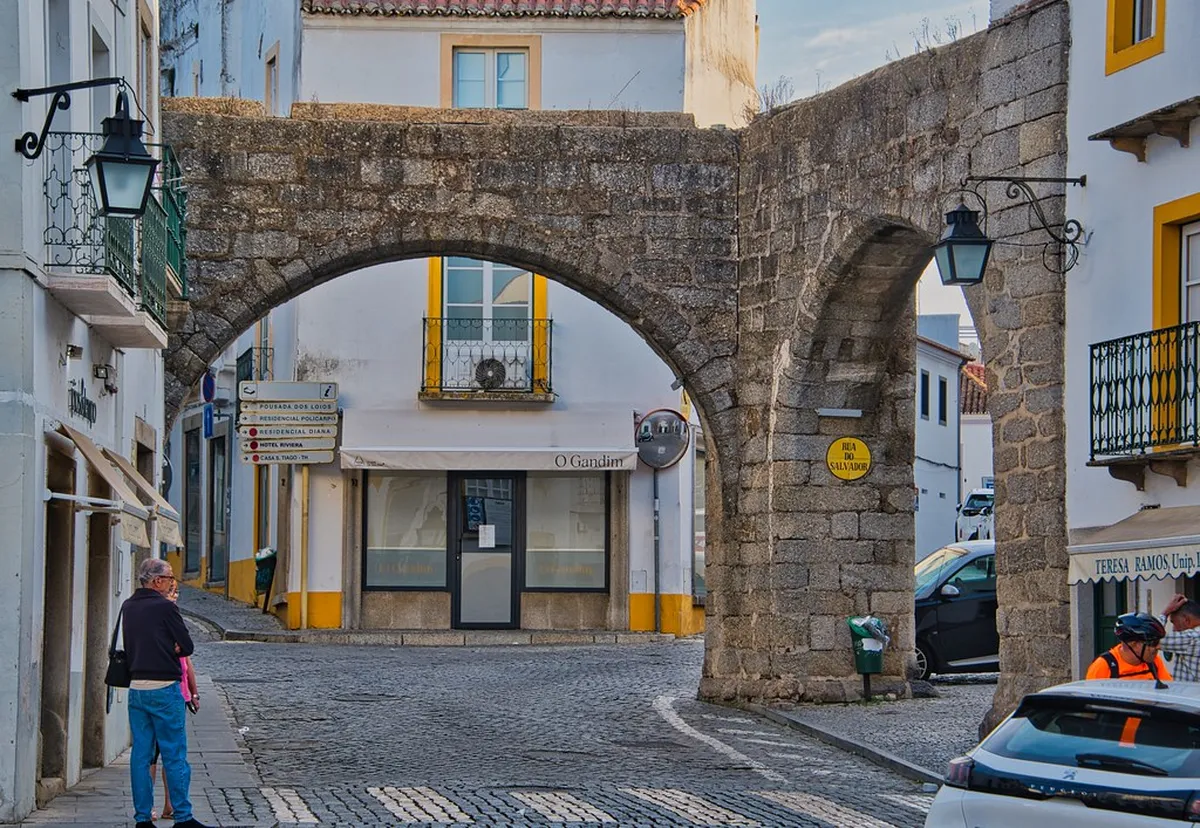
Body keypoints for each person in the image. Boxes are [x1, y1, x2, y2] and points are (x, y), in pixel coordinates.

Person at [122, 558, 210, 828]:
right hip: (164, 688)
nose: (173, 583)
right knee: (174, 754)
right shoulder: (165, 607)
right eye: (170, 578)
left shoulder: (128, 606)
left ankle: (142, 819)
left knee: (141, 755)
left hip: (137, 689)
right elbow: (187, 645)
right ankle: (183, 817)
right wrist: (172, 647)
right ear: (157, 581)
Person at [149, 582, 200, 821]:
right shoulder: (159, 619)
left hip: (179, 695)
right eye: (170, 592)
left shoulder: (174, 617)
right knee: (154, 754)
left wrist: (194, 692)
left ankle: (170, 805)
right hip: (162, 692)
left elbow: (187, 661)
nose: (174, 596)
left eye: (176, 592)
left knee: (172, 754)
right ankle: (150, 807)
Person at [1085, 612, 1173, 681]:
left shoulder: (1154, 662)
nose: (1158, 647)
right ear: (1133, 643)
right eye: (1153, 642)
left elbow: (1168, 692)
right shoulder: (1103, 666)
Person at [1159, 594, 1200, 681]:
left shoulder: (1192, 638)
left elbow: (1149, 637)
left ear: (1186, 620)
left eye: (1174, 623)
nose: (1174, 629)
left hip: (1190, 694)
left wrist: (1165, 613)